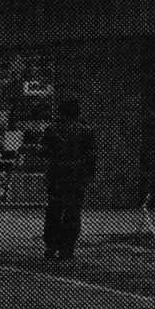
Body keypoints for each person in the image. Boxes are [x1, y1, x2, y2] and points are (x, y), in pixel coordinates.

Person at [43, 97, 97, 261]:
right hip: (76, 178)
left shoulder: (52, 129)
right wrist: (88, 176)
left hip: (57, 177)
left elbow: (44, 151)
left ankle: (52, 246)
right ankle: (67, 248)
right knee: (72, 213)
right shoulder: (85, 130)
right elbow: (91, 157)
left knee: (54, 210)